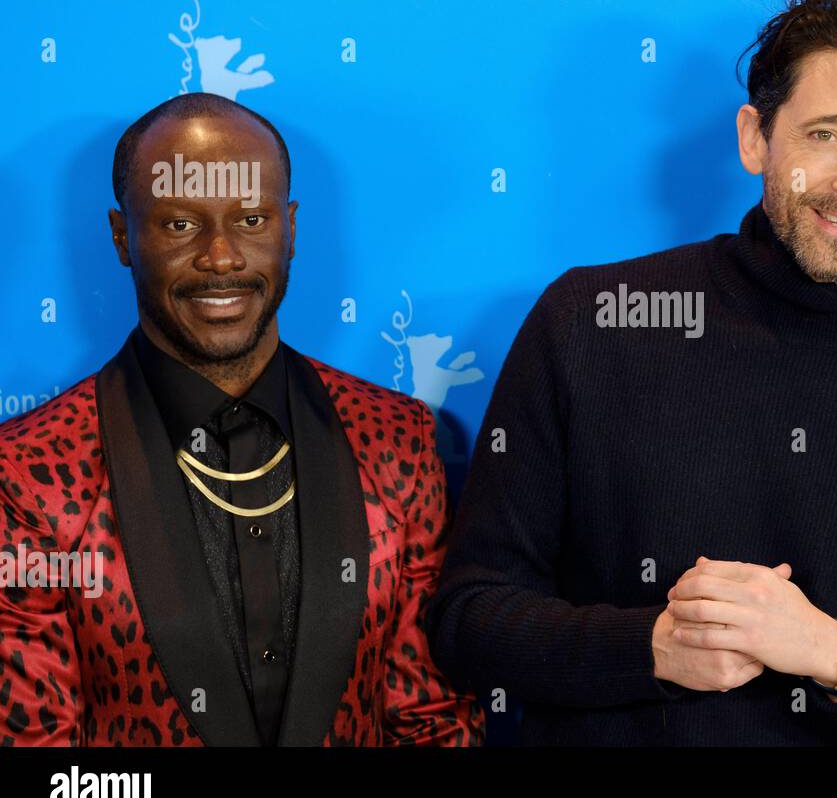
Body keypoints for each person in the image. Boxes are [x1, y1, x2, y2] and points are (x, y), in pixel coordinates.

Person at [428, 0, 837, 745]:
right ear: (756, 138)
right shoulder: (589, 323)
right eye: (825, 134)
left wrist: (836, 656)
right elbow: (470, 619)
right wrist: (651, 647)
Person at [0, 93, 484, 746]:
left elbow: (433, 723)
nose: (222, 258)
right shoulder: (28, 473)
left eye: (251, 219)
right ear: (122, 237)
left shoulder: (398, 440)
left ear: (290, 228)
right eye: (180, 226)